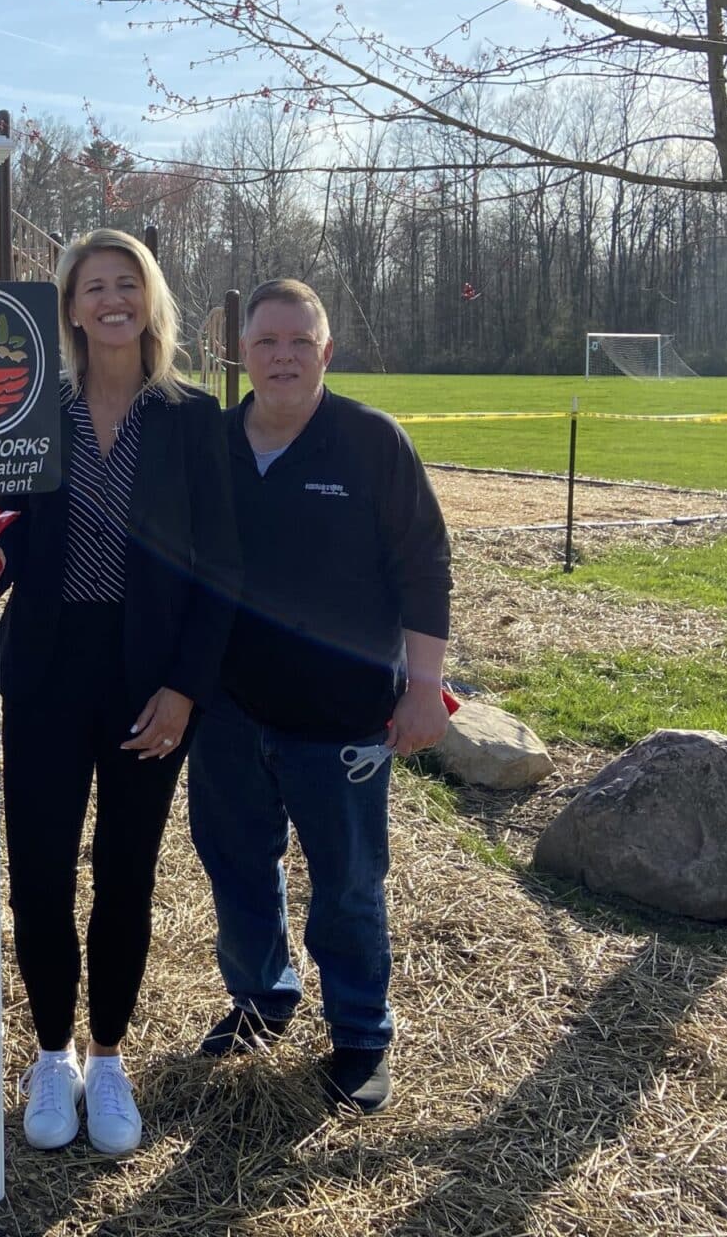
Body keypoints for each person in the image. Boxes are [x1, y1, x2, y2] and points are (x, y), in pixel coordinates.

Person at [0, 228, 239, 1156]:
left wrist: (185, 689)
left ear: (151, 299)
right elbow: (3, 531)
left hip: (150, 679)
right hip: (48, 669)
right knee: (41, 870)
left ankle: (107, 1058)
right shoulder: (28, 409)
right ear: (68, 305)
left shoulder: (191, 417)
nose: (111, 300)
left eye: (126, 284)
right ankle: (51, 1053)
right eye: (93, 286)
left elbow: (221, 567)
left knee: (127, 873)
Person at [186, 278, 452, 1117]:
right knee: (236, 866)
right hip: (229, 711)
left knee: (347, 884)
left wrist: (425, 688)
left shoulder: (371, 442)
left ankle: (361, 1034)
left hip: (341, 719)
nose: (284, 357)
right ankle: (262, 999)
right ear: (241, 353)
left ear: (327, 351)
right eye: (267, 342)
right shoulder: (212, 444)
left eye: (300, 341)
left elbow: (425, 566)